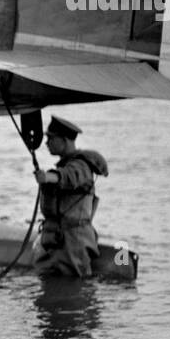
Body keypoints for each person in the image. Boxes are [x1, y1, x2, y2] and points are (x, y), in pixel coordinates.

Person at [32, 115, 109, 278]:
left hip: (73, 241)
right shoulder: (68, 164)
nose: (46, 143)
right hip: (56, 239)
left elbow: (68, 177)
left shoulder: (80, 166)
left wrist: (48, 177)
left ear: (65, 140)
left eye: (50, 138)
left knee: (74, 285)